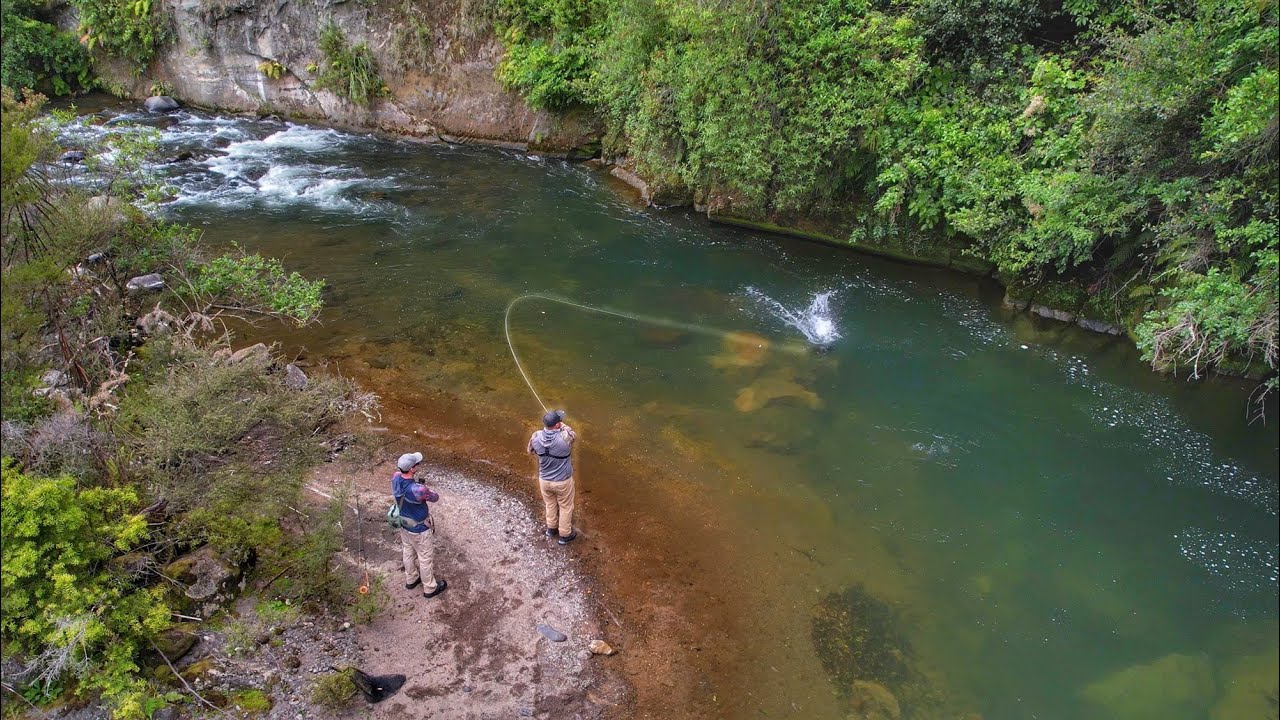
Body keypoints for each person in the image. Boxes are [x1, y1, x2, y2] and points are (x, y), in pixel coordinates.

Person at [391, 452, 446, 598]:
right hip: (420, 529)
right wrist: (423, 487)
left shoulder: (396, 477)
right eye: (416, 464)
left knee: (408, 552)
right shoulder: (418, 489)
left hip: (404, 524)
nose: (418, 465)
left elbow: (404, 485)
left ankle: (411, 579)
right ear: (412, 469)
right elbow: (434, 497)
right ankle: (430, 588)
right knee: (425, 558)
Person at [528, 410, 578, 544]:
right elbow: (573, 434)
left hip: (544, 480)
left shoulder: (536, 436)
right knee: (566, 507)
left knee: (550, 504)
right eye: (559, 421)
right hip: (562, 480)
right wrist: (563, 425)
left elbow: (530, 451)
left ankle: (551, 529)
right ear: (557, 425)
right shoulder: (565, 437)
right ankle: (565, 534)